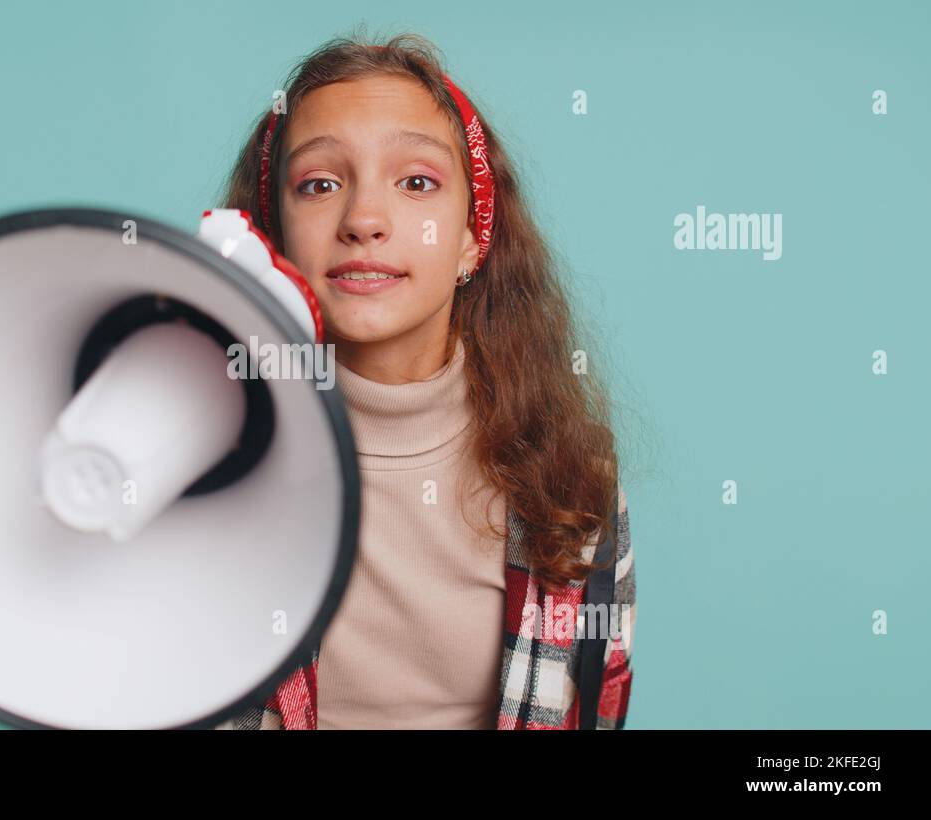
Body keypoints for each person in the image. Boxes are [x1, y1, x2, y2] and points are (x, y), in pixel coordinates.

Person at [214, 31, 636, 730]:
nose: (364, 221)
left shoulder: (572, 477)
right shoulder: (202, 454)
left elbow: (598, 707)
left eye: (416, 182)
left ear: (474, 238)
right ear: (273, 238)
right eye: (319, 184)